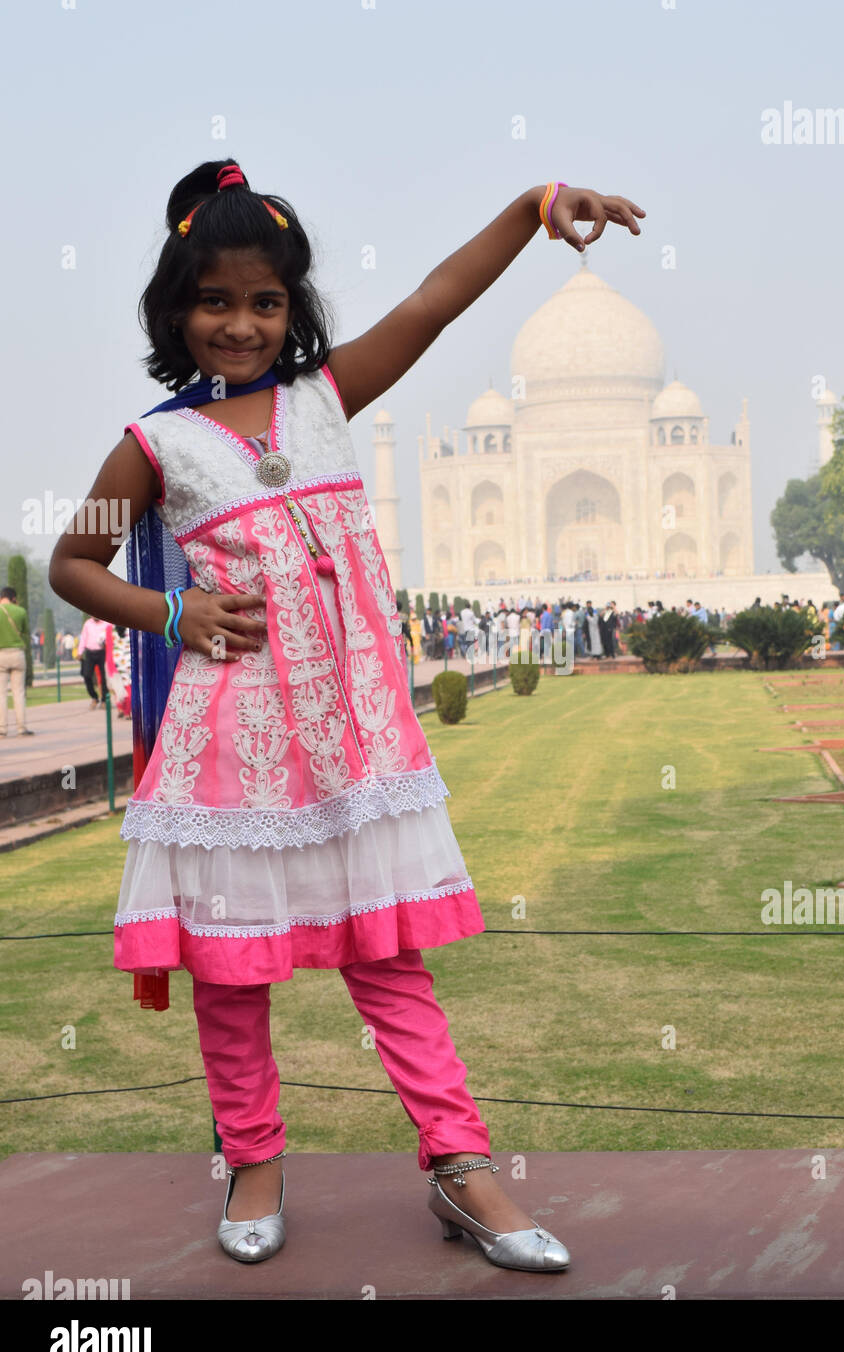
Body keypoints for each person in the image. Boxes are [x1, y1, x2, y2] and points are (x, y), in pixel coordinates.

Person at [48, 160, 643, 1271]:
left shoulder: (327, 399)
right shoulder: (152, 445)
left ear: (294, 307)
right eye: (216, 301)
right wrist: (171, 609)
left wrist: (528, 208)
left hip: (357, 742)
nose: (240, 323)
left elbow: (429, 299)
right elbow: (71, 563)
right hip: (235, 743)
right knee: (232, 969)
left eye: (265, 301)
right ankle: (254, 1159)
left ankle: (461, 1168)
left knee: (393, 963)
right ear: (176, 309)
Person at [0, 586, 34, 737]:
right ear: (13, 597)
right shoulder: (20, 611)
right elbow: (26, 631)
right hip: (17, 654)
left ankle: (2, 728)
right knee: (19, 693)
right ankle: (21, 727)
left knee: (1, 694)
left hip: (1, 654)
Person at [78, 612, 111, 707]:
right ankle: (94, 697)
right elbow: (83, 638)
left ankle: (104, 700)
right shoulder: (88, 624)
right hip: (90, 652)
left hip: (102, 652)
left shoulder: (107, 623)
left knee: (105, 677)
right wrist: (80, 652)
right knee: (86, 675)